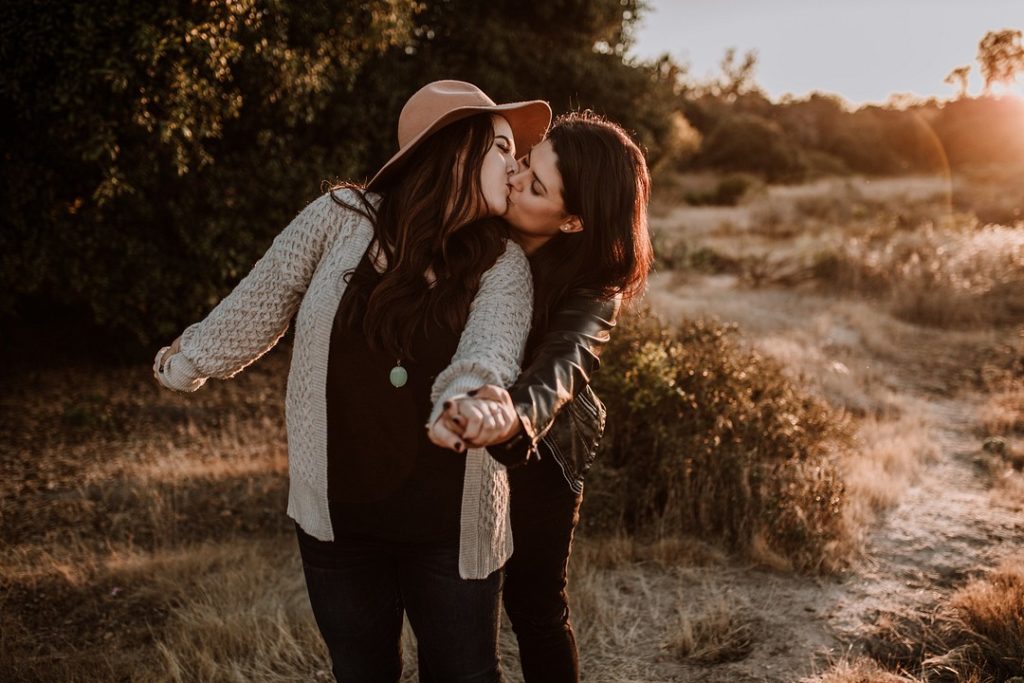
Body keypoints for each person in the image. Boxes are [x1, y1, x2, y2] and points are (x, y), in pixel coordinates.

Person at [153, 80, 551, 682]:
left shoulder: (502, 262)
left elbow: (489, 349)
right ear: (449, 152)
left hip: (450, 530)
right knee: (360, 672)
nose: (515, 166)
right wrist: (190, 359)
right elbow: (262, 298)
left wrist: (468, 402)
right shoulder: (341, 216)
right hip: (338, 524)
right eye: (501, 148)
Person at [430, 111, 653, 682]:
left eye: (535, 186)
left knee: (534, 604)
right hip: (455, 424)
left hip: (545, 447)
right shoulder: (478, 222)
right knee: (453, 591)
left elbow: (562, 366)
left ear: (573, 221)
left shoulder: (596, 284)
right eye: (525, 162)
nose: (513, 178)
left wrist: (513, 416)